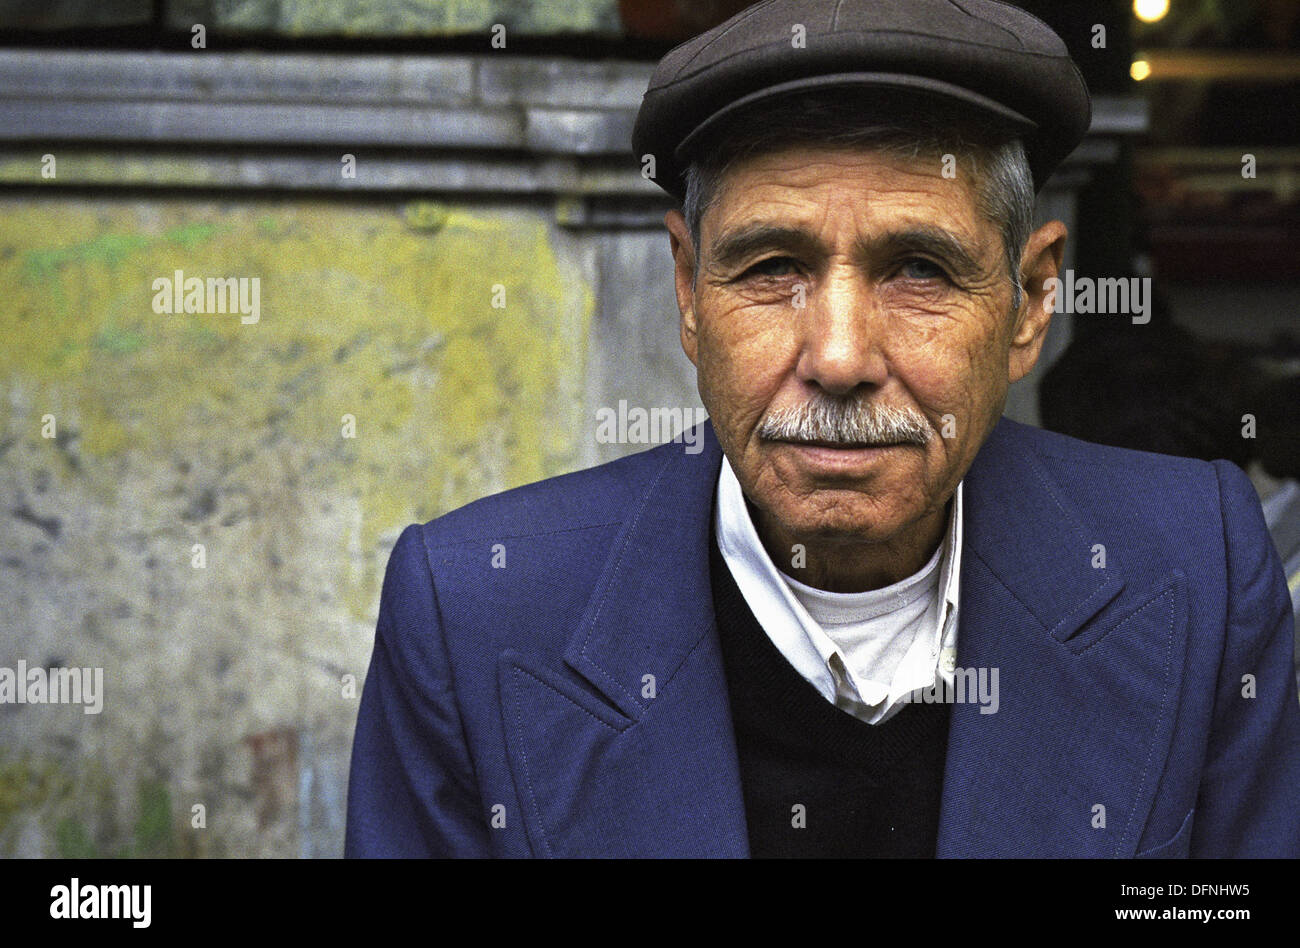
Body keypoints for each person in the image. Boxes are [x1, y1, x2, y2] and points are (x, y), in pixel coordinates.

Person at [345, 0, 1300, 857]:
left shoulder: (1194, 571)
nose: (839, 356)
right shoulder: (476, 613)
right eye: (771, 267)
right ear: (688, 292)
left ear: (1030, 300)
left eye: (919, 269)